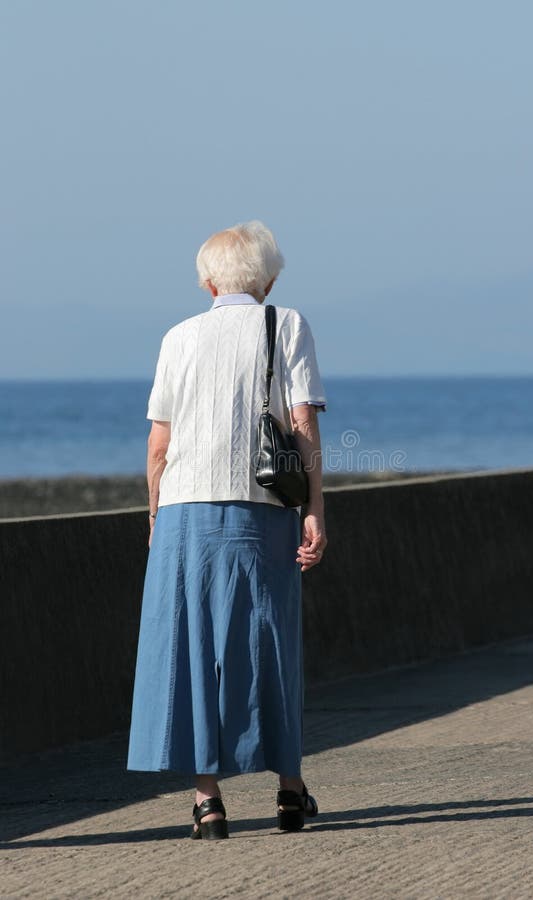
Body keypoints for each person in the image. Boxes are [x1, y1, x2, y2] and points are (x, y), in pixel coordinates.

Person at [126, 220, 328, 840]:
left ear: (209, 280)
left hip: (186, 512)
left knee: (190, 648)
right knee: (269, 643)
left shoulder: (177, 337)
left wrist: (156, 514)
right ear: (267, 278)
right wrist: (316, 508)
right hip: (260, 509)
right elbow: (302, 429)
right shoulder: (286, 323)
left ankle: (208, 803)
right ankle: (289, 794)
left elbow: (159, 443)